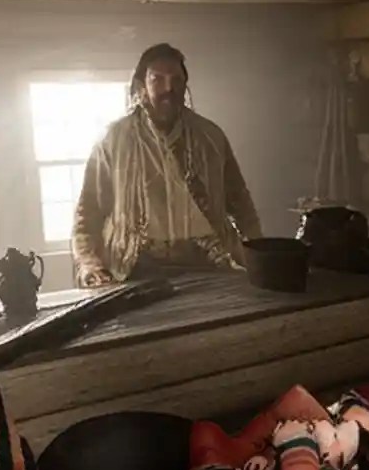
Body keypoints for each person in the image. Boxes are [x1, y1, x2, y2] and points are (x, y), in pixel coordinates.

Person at [72, 43, 262, 287]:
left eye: (176, 79)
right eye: (157, 79)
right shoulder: (113, 140)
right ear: (142, 86)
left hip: (208, 263)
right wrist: (89, 262)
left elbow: (240, 201)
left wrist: (258, 253)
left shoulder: (210, 137)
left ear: (185, 85)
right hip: (137, 267)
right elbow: (88, 212)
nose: (168, 88)